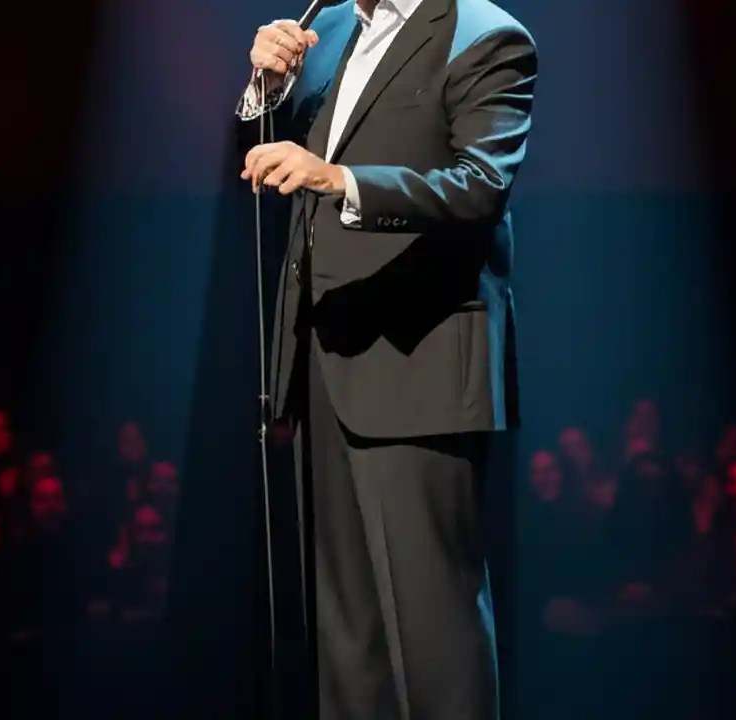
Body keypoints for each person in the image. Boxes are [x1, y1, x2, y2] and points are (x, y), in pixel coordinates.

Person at [238, 1, 536, 717]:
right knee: (347, 633)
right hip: (325, 356)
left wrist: (339, 180)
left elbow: (480, 187)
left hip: (419, 360)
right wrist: (265, 91)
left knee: (432, 626)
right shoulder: (331, 27)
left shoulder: (484, 34)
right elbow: (272, 161)